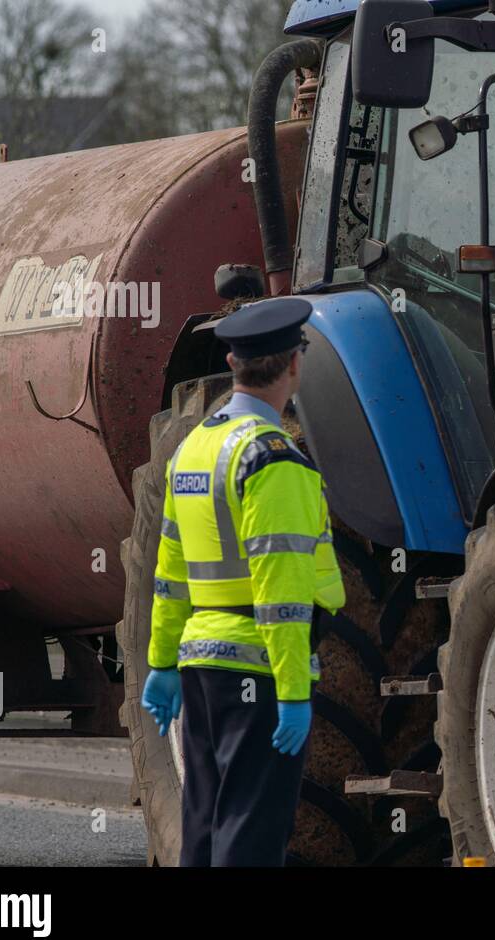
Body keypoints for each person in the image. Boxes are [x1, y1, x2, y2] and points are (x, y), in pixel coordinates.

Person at [140, 297, 345, 867]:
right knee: (251, 835)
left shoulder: (193, 448)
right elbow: (282, 595)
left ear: (232, 361)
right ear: (295, 365)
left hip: (202, 667)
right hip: (258, 667)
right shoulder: (273, 460)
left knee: (204, 826)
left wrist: (161, 663)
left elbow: (169, 573)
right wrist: (294, 693)